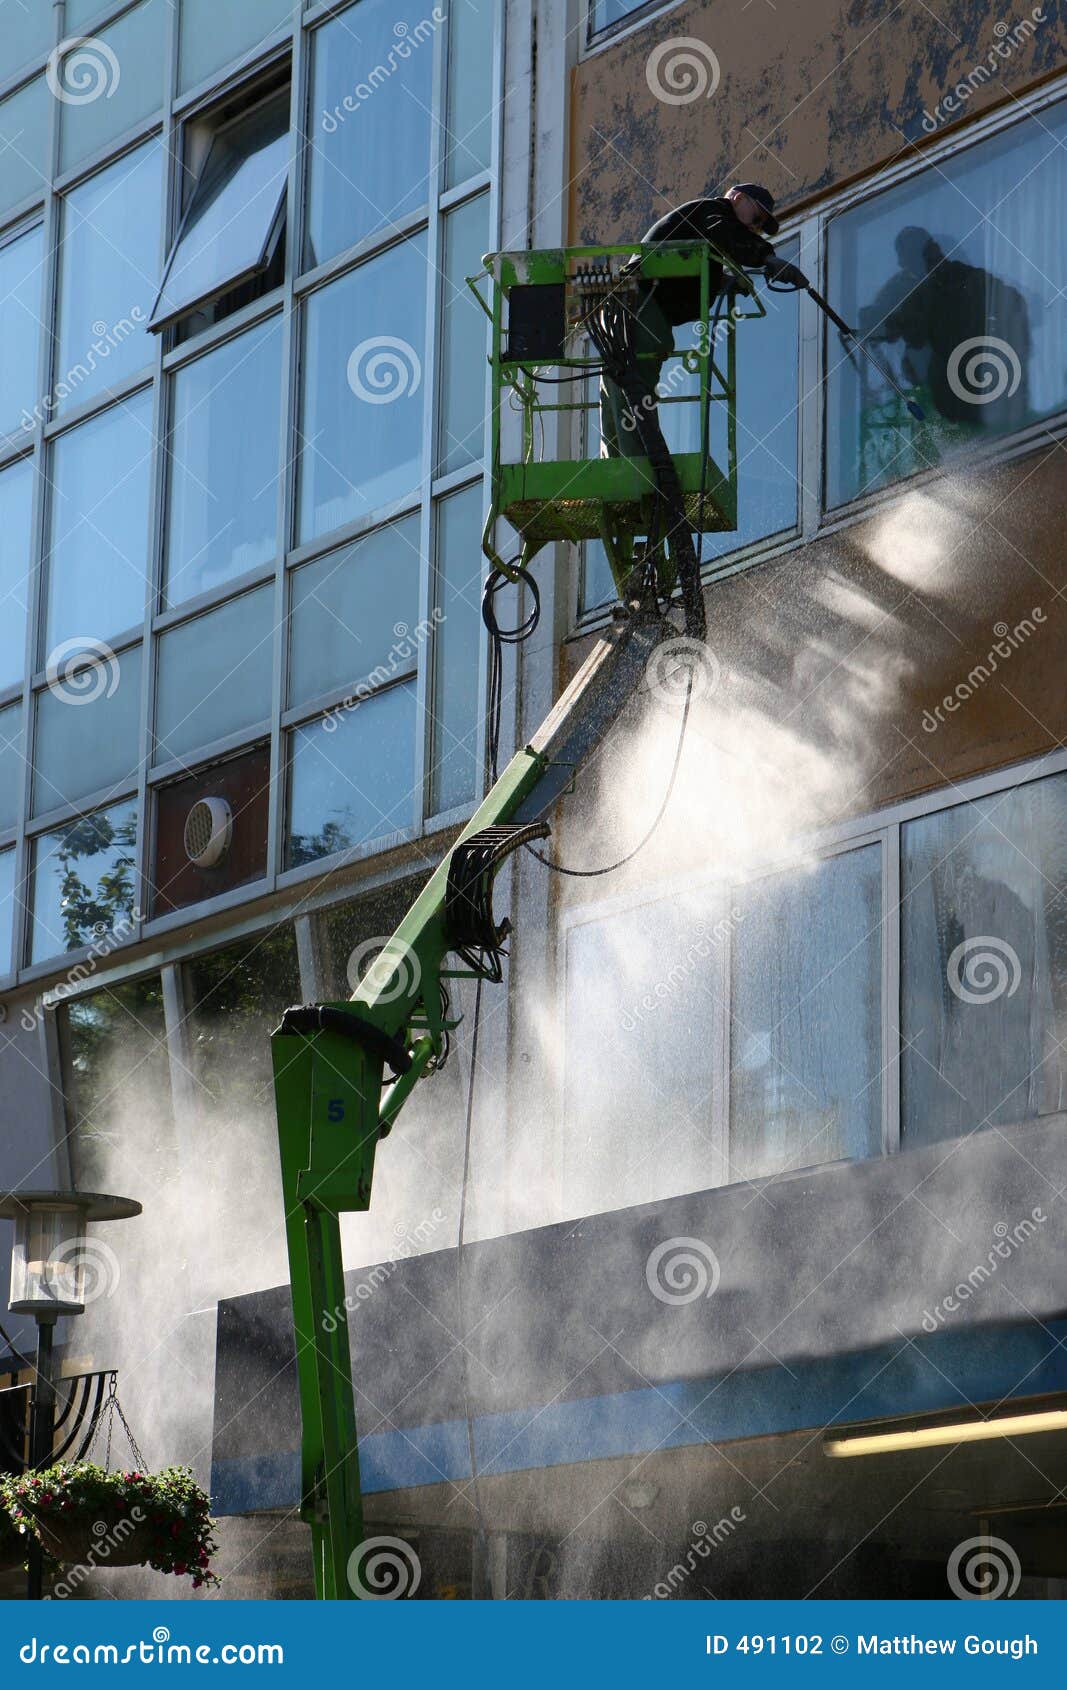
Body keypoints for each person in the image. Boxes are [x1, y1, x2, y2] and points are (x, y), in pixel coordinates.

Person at [600, 183, 801, 456]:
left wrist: (721, 281)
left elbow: (683, 268)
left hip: (627, 308)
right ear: (738, 198)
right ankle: (643, 471)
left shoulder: (699, 229)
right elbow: (725, 232)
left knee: (618, 393)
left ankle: (619, 470)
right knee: (634, 389)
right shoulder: (711, 210)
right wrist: (767, 257)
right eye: (756, 219)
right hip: (640, 308)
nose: (755, 227)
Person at [859, 225, 1031, 430]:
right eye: (907, 258)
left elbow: (1014, 301)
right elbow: (889, 328)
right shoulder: (905, 290)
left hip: (985, 379)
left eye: (915, 255)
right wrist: (874, 320)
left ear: (934, 250)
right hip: (943, 394)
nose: (908, 263)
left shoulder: (965, 278)